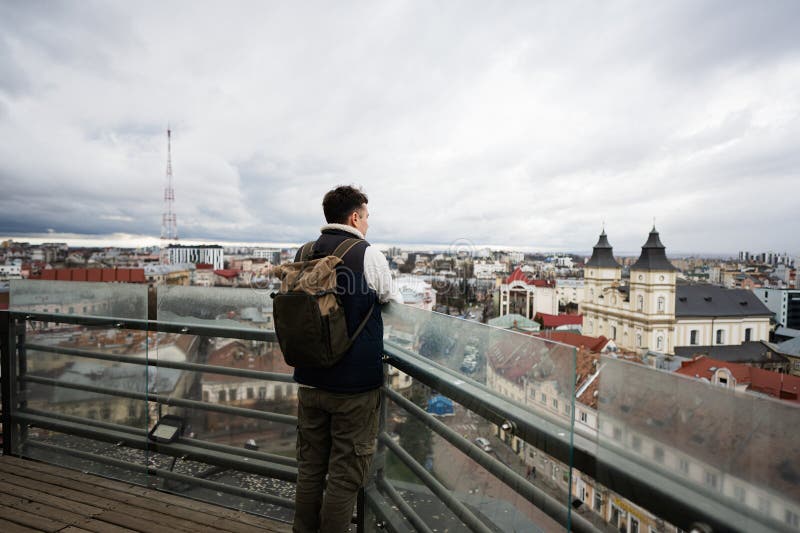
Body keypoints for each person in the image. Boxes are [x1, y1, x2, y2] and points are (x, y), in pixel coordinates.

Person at [293, 185, 402, 533]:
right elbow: (392, 299)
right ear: (355, 216)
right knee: (344, 476)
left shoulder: (304, 251)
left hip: (310, 377)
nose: (368, 224)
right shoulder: (366, 254)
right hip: (354, 388)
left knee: (310, 468)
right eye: (366, 216)